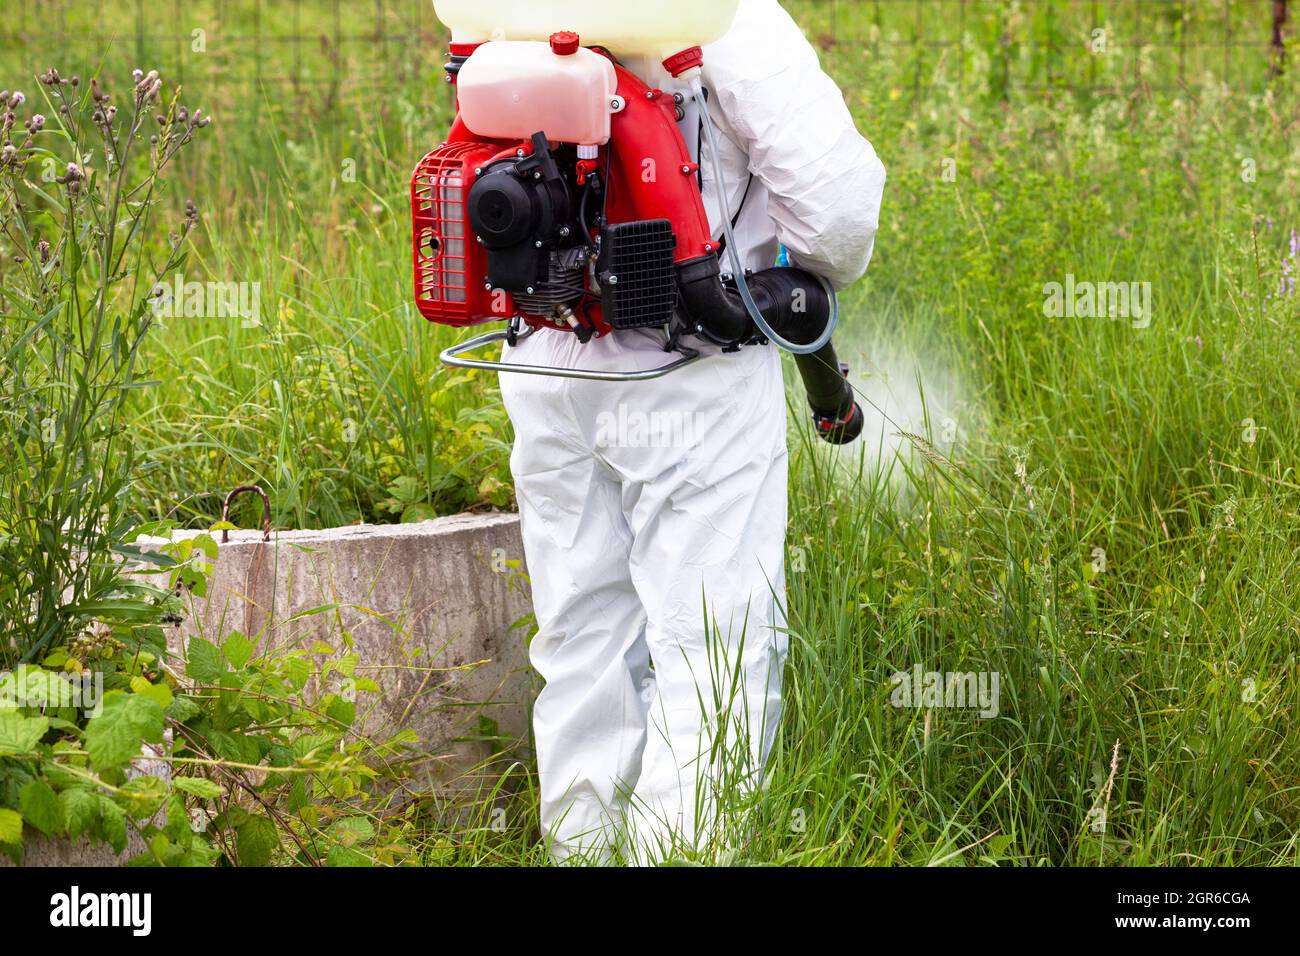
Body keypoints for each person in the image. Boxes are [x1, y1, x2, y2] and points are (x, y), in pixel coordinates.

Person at [498, 0, 886, 864]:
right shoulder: (724, 17)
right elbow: (838, 218)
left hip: (546, 367)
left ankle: (583, 851)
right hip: (689, 377)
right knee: (714, 650)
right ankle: (684, 854)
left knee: (581, 638)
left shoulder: (517, 11)